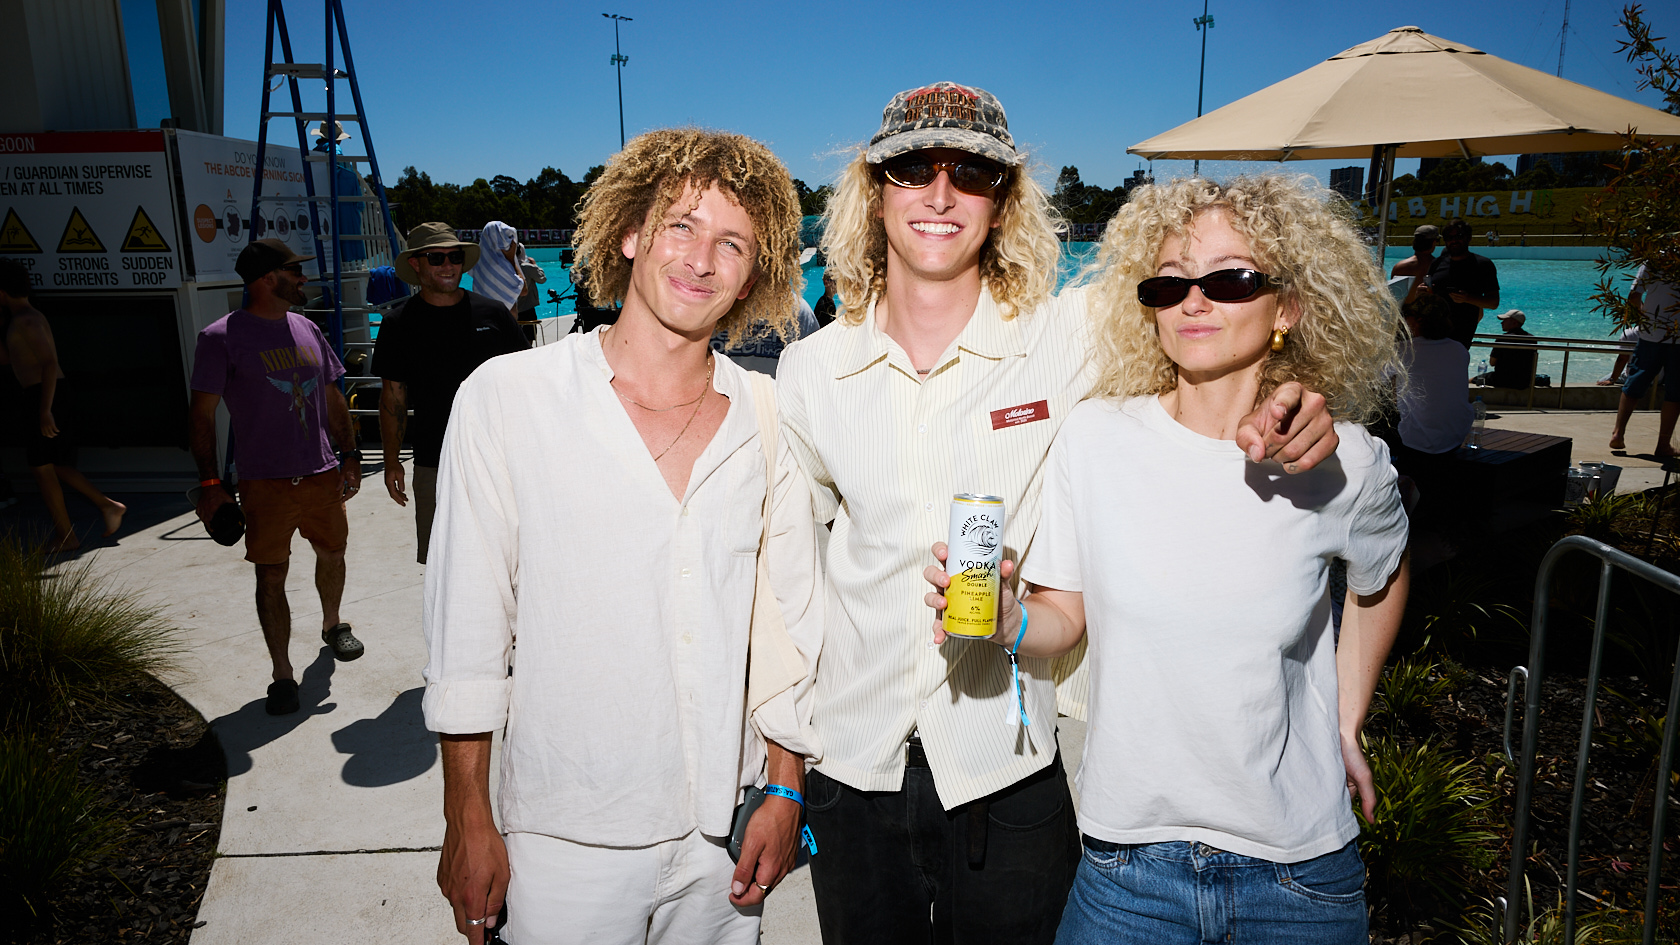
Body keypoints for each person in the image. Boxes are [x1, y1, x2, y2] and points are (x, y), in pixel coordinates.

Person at [775, 81, 1341, 945]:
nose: (938, 193)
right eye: (909, 169)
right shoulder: (811, 372)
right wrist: (783, 768)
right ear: (873, 188)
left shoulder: (1066, 336)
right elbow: (793, 576)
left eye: (970, 172)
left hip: (1005, 763)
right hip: (853, 765)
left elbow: (1207, 313)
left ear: (1002, 203)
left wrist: (1293, 390)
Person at [924, 173, 1410, 945]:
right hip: (1128, 873)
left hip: (1299, 877)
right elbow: (1065, 618)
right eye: (1169, 283)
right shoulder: (1096, 439)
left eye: (1230, 279)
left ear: (1288, 306)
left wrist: (1347, 720)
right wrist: (1009, 619)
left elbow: (1382, 577)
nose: (1194, 301)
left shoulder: (1342, 458)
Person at [425, 128, 823, 945]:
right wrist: (466, 812)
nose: (701, 259)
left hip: (722, 839)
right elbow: (467, 629)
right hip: (564, 835)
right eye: (681, 225)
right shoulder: (509, 398)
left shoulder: (767, 415)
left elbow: (786, 618)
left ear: (755, 275)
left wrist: (785, 788)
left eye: (732, 244)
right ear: (632, 234)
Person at [189, 239, 364, 716]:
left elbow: (333, 396)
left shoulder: (307, 328)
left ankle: (333, 625)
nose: (304, 278)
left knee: (333, 552)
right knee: (271, 576)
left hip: (322, 474)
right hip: (263, 483)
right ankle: (282, 674)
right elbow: (201, 416)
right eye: (295, 270)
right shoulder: (220, 338)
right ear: (268, 278)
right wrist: (210, 485)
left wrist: (349, 455)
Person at [374, 223, 527, 564]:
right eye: (437, 258)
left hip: (499, 461)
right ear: (416, 265)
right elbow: (393, 399)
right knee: (444, 566)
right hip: (434, 462)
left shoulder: (494, 314)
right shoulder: (399, 325)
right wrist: (391, 461)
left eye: (455, 257)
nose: (448, 265)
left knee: (509, 559)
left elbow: (525, 383)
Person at [0, 259, 126, 551]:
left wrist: (44, 409)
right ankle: (106, 506)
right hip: (45, 394)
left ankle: (68, 535)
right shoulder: (22, 318)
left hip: (45, 395)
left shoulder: (26, 320)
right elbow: (10, 359)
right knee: (53, 465)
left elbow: (49, 363)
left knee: (43, 469)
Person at [1392, 293, 1472, 526]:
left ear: (1415, 321)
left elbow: (1373, 377)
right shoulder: (1459, 349)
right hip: (1455, 433)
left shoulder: (1403, 351)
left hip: (1418, 441)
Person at [1609, 264, 1680, 456]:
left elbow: (1633, 296)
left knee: (1634, 382)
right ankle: (1663, 444)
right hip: (1678, 338)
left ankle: (1618, 433)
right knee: (1674, 393)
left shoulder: (1654, 260)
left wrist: (1645, 318)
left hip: (1650, 335)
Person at [1422, 218, 1499, 350]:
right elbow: (1427, 295)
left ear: (1469, 238)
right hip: (1431, 333)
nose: (1454, 240)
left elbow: (1493, 303)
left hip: (1460, 338)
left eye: (1459, 236)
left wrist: (1467, 298)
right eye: (1449, 237)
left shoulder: (1483, 265)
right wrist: (1422, 293)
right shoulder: (1437, 263)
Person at [470, 221, 525, 313]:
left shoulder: (481, 263)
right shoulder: (501, 264)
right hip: (501, 322)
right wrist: (512, 260)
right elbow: (523, 290)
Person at [1485, 309, 1537, 389]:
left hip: (1502, 380)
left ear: (1514, 322)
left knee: (1476, 379)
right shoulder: (1532, 339)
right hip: (1524, 382)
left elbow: (1492, 362)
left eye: (1505, 320)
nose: (1501, 323)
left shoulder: (1502, 338)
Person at [1389, 224, 1439, 305]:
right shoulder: (1439, 266)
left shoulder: (1400, 267)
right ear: (1433, 243)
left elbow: (1393, 297)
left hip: (1406, 315)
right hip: (1430, 314)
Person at [514, 244, 546, 343]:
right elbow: (542, 279)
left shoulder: (505, 267)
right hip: (527, 309)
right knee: (529, 339)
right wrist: (535, 266)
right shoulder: (527, 267)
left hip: (511, 308)